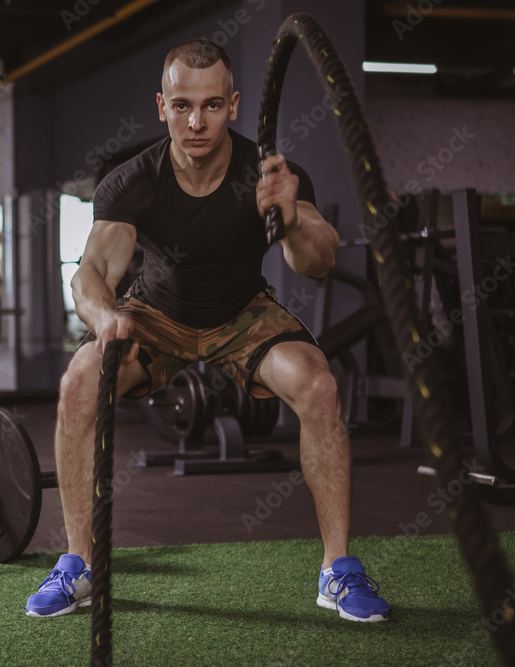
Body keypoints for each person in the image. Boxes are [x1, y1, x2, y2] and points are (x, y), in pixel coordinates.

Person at [25, 38, 390, 623]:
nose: (196, 122)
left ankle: (337, 569)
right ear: (161, 106)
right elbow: (91, 271)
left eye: (212, 105)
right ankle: (78, 564)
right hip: (156, 314)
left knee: (319, 387)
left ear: (234, 105)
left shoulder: (272, 173)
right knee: (77, 386)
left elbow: (318, 261)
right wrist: (104, 318)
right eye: (182, 106)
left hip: (243, 313)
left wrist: (290, 217)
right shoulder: (132, 181)